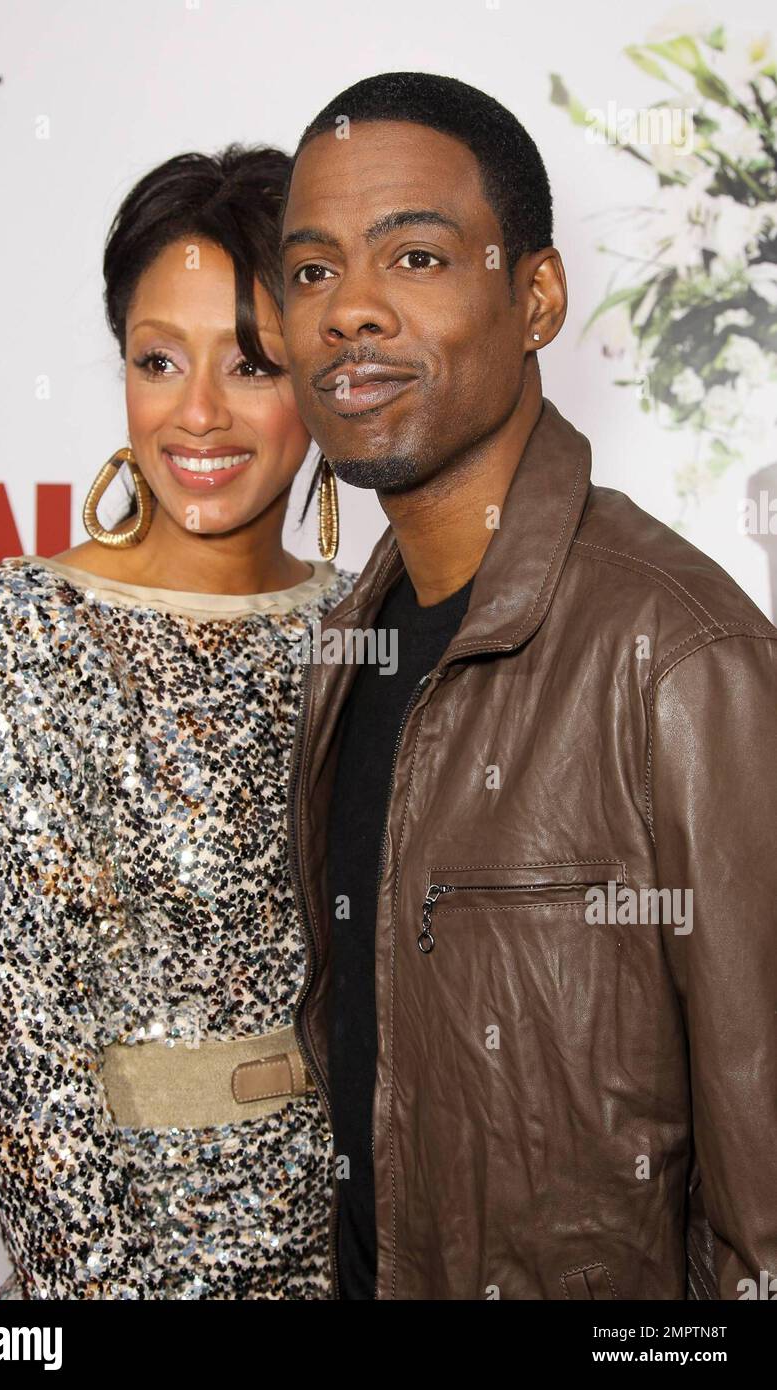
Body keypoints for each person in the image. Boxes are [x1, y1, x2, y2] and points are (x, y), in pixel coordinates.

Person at [279, 71, 777, 1300]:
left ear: (536, 296)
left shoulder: (680, 655)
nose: (349, 312)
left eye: (414, 258)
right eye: (309, 272)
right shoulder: (355, 642)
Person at [0, 145, 356, 1299]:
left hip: (383, 1243)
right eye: (157, 360)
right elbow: (28, 1081)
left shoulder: (370, 629)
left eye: (253, 364)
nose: (196, 413)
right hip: (150, 1262)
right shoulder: (12, 637)